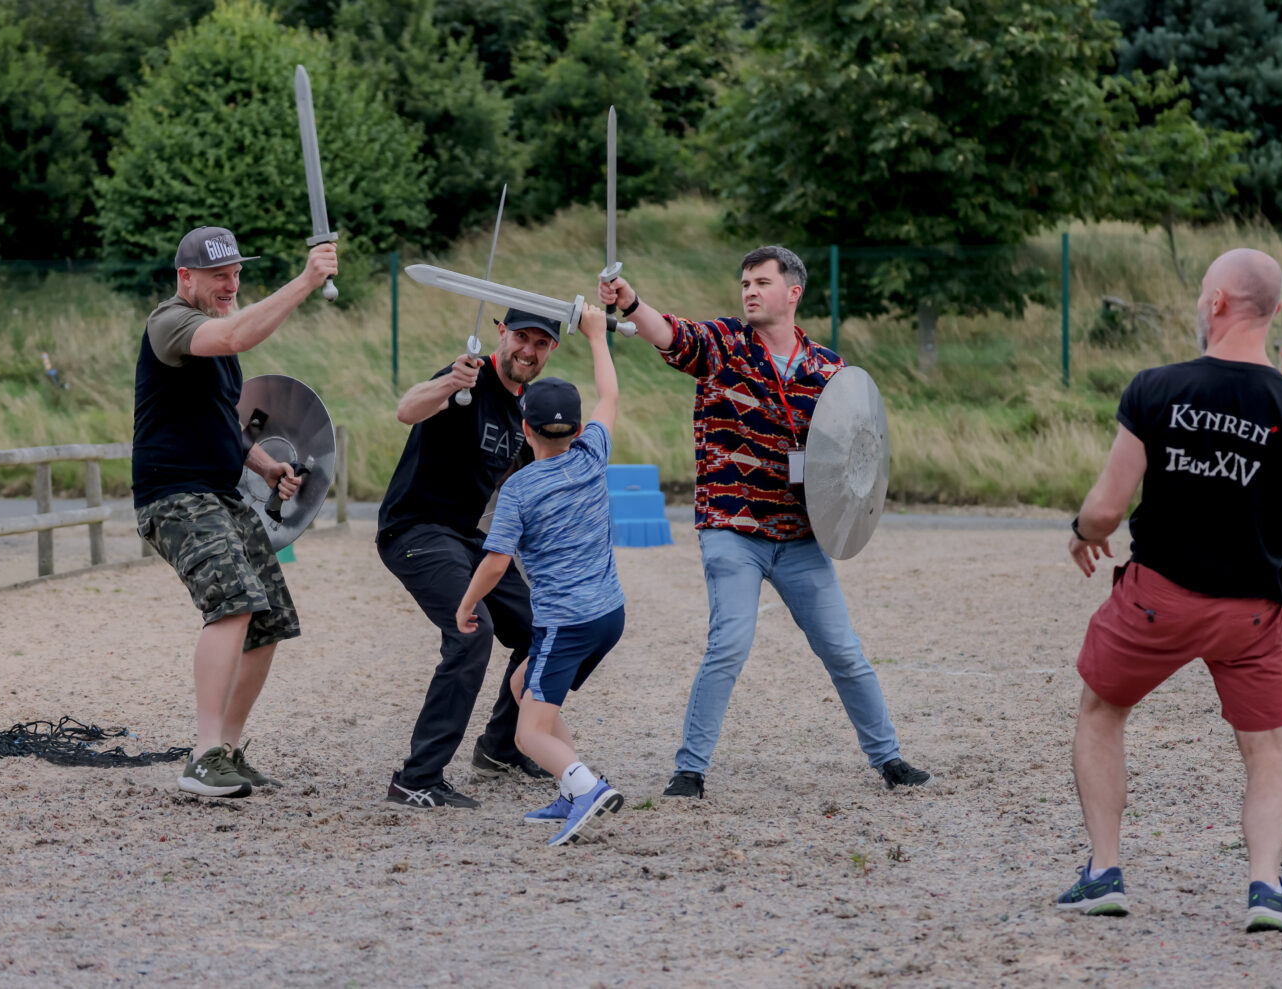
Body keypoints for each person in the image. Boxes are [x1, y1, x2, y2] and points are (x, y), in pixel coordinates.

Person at [1057, 248, 1282, 932]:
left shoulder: (1155, 388)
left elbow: (1105, 510)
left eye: (1204, 293)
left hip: (1155, 601)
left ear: (1219, 302)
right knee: (1269, 750)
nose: (1201, 303)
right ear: (1274, 311)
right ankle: (1266, 886)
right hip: (1250, 615)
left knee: (1101, 713)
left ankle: (1103, 872)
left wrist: (1081, 531)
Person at [598, 245, 932, 799]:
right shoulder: (723, 344)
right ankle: (690, 771)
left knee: (844, 651)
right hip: (733, 528)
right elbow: (670, 334)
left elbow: (855, 452)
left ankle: (889, 759)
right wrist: (630, 302)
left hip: (800, 537)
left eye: (761, 282)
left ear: (793, 292)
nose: (749, 291)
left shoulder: (829, 371)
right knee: (729, 645)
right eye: (745, 283)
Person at [133, 225, 338, 798]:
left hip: (220, 493)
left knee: (269, 618)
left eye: (236, 274)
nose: (230, 285)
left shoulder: (219, 351)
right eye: (218, 276)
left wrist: (265, 466)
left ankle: (225, 749)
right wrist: (306, 280)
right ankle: (201, 758)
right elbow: (237, 333)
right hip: (174, 495)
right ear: (186, 278)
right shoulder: (170, 323)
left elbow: (223, 421)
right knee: (235, 603)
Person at [379, 308, 564, 808]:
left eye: (541, 343)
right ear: (502, 333)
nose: (528, 350)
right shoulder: (467, 377)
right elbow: (407, 410)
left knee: (541, 630)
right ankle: (416, 778)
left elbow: (528, 485)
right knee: (471, 632)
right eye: (521, 337)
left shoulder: (524, 408)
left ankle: (500, 748)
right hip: (414, 528)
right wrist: (448, 384)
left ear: (551, 350)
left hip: (465, 537)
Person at [455, 305, 626, 846]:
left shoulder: (520, 490)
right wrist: (597, 335)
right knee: (521, 684)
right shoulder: (593, 454)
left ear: (525, 428)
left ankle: (588, 787)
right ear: (577, 429)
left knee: (528, 734)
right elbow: (609, 395)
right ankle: (571, 787)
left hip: (565, 624)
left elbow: (495, 562)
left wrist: (466, 604)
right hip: (609, 615)